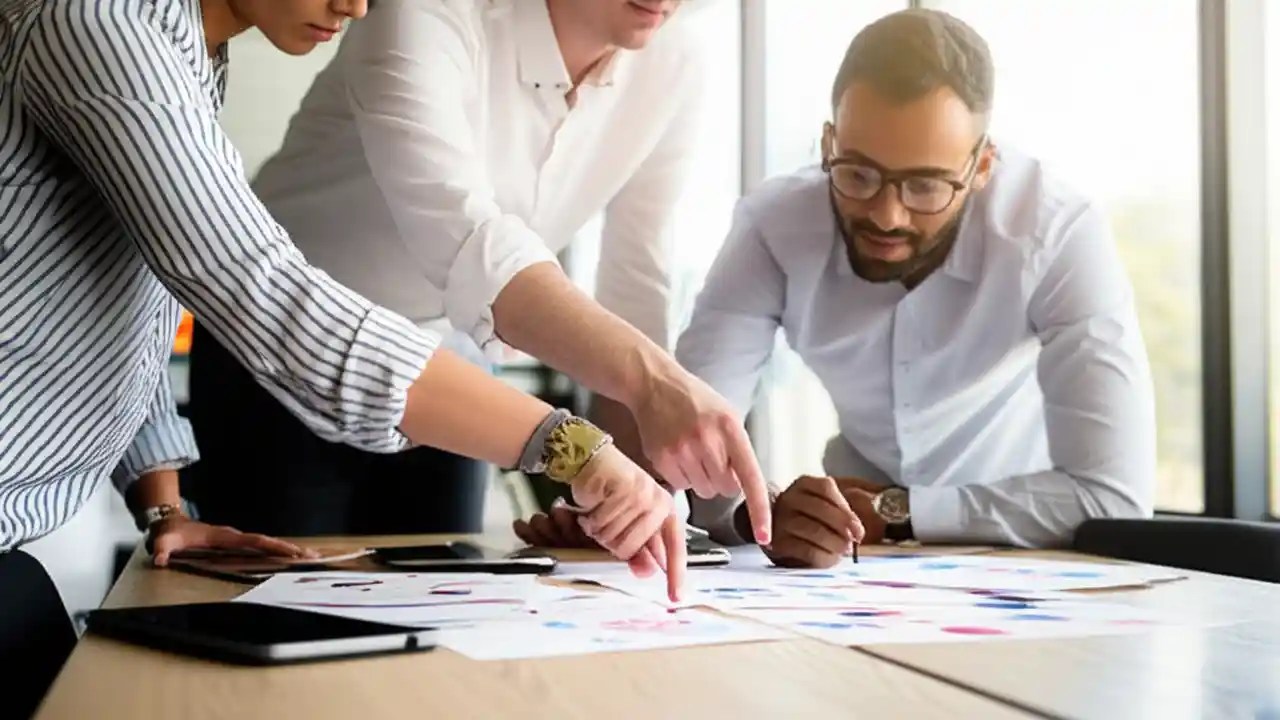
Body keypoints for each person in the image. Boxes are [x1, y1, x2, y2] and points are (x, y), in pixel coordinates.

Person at [0, 0, 766, 713]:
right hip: (287, 372)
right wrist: (570, 445)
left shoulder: (187, 53)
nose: (359, 5)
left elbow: (124, 290)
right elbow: (262, 292)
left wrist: (162, 497)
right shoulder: (102, 31)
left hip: (419, 369)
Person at [517, 8, 1157, 567]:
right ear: (829, 141)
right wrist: (756, 514)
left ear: (982, 166)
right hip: (855, 551)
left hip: (1025, 548)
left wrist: (900, 511)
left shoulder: (1057, 234)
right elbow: (693, 444)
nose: (888, 215)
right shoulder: (774, 227)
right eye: (858, 173)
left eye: (927, 186)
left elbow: (1112, 496)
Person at [181, 0, 770, 541]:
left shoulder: (678, 56)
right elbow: (469, 243)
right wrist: (654, 382)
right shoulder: (426, 10)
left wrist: (632, 499)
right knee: (279, 617)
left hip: (451, 371)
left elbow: (636, 282)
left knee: (436, 614)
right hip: (279, 350)